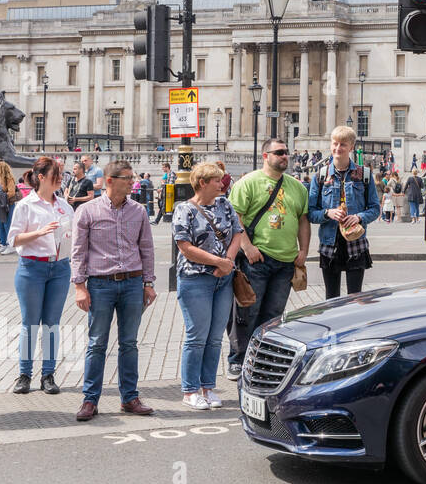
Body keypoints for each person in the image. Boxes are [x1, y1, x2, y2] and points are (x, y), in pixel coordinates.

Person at [71, 160, 156, 421]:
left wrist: (149, 283)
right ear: (110, 180)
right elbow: (78, 252)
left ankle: (130, 397)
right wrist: (79, 287)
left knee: (129, 343)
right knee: (97, 343)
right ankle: (90, 399)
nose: (133, 182)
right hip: (100, 284)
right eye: (127, 178)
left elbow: (147, 248)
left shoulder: (138, 211)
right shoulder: (87, 211)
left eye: (132, 178)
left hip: (132, 282)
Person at [227, 139, 311, 379]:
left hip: (286, 262)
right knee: (247, 312)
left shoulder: (297, 187)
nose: (285, 156)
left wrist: (303, 250)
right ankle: (238, 359)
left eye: (287, 152)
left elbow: (303, 220)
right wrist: (248, 247)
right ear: (266, 156)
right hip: (257, 259)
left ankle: (262, 360)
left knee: (273, 316)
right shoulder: (249, 183)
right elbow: (236, 217)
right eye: (280, 152)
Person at [172, 162, 247, 410]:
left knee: (215, 338)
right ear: (202, 183)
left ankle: (208, 386)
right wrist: (219, 261)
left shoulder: (225, 204)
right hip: (195, 278)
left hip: (223, 279)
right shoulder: (184, 209)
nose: (221, 184)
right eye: (216, 180)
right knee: (197, 336)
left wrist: (229, 262)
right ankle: (190, 390)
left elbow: (238, 232)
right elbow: (185, 247)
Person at [9, 157, 74, 395]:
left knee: (52, 325)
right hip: (31, 268)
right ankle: (24, 374)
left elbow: (72, 236)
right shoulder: (26, 205)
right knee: (30, 324)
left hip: (59, 268)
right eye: (55, 174)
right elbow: (13, 239)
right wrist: (39, 233)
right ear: (41, 177)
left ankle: (48, 375)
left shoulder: (65, 206)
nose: (60, 178)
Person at [308, 125, 380, 299]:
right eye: (335, 143)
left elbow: (375, 208)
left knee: (355, 297)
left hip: (356, 243)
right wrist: (328, 213)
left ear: (351, 147)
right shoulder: (321, 176)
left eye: (343, 144)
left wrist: (358, 217)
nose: (337, 148)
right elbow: (310, 212)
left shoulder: (364, 175)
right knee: (331, 298)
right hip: (329, 245)